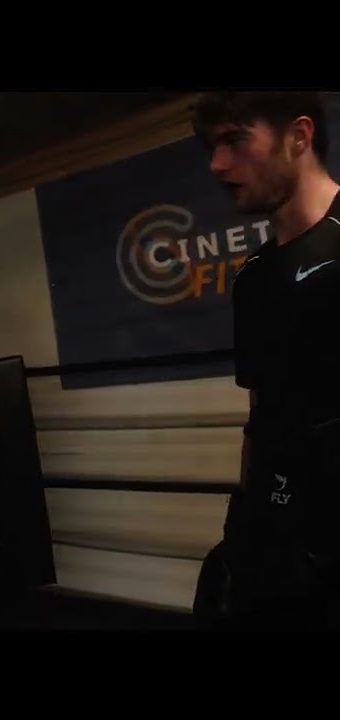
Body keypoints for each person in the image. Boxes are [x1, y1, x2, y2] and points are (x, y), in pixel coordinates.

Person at [190, 91, 340, 629]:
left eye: (234, 141)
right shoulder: (253, 277)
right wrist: (242, 529)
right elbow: (261, 414)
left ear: (298, 136)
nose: (217, 164)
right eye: (212, 146)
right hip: (275, 540)